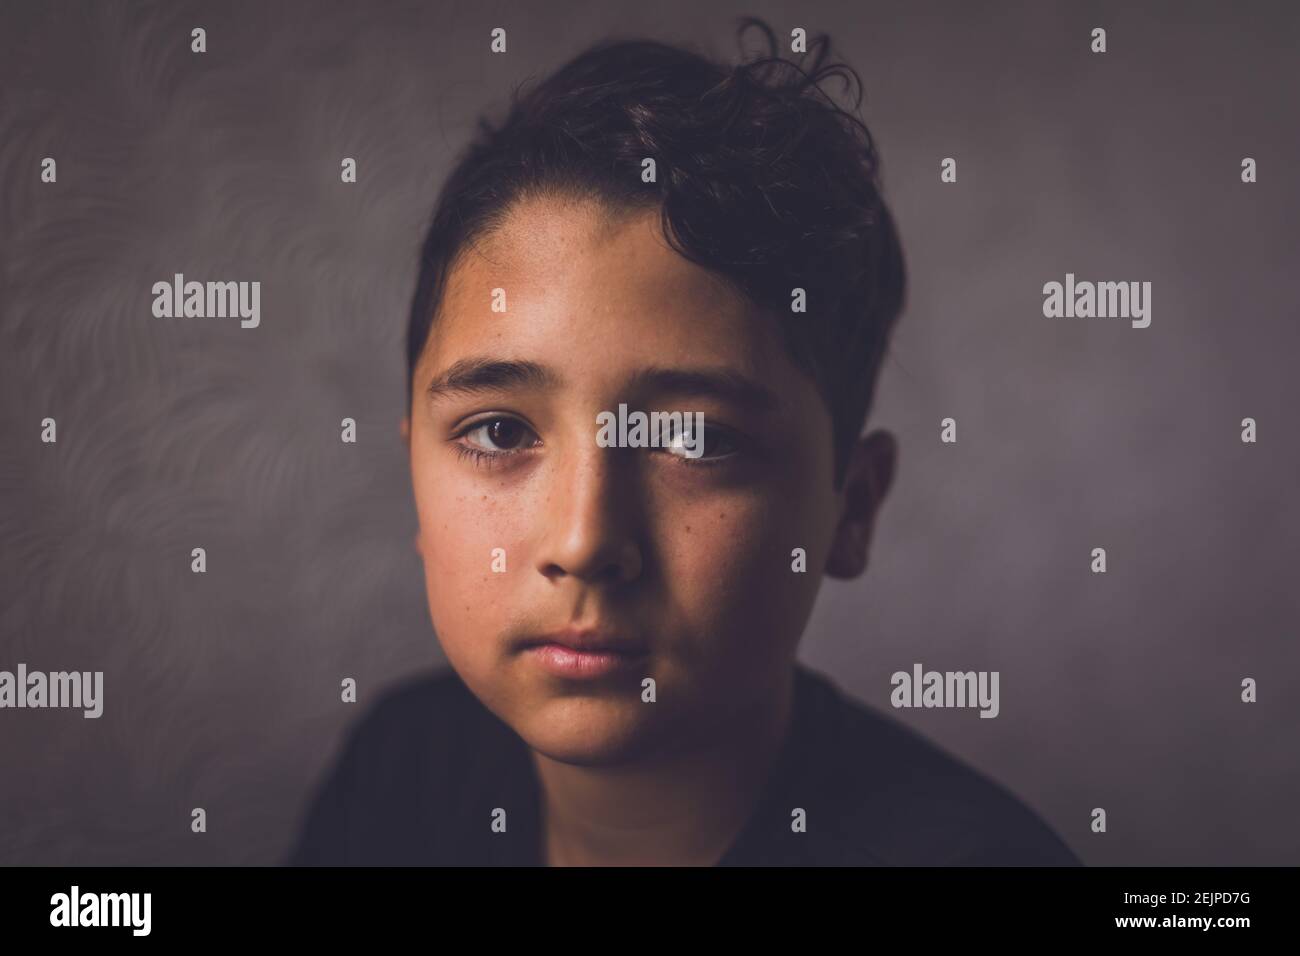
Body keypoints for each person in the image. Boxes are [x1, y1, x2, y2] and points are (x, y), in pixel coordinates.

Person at [288, 16, 1080, 867]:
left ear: (850, 508)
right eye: (502, 431)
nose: (585, 542)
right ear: (416, 468)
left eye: (696, 440)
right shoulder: (400, 775)